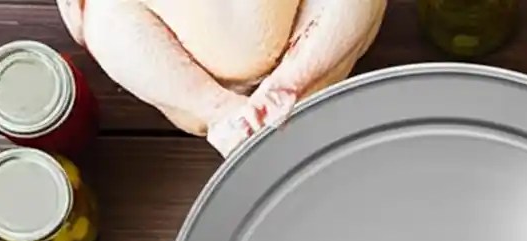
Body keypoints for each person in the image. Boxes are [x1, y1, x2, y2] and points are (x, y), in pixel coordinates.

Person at [58, 0, 386, 155]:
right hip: (189, 75)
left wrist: (289, 81)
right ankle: (220, 110)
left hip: (309, 54)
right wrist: (214, 107)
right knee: (101, 19)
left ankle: (286, 87)